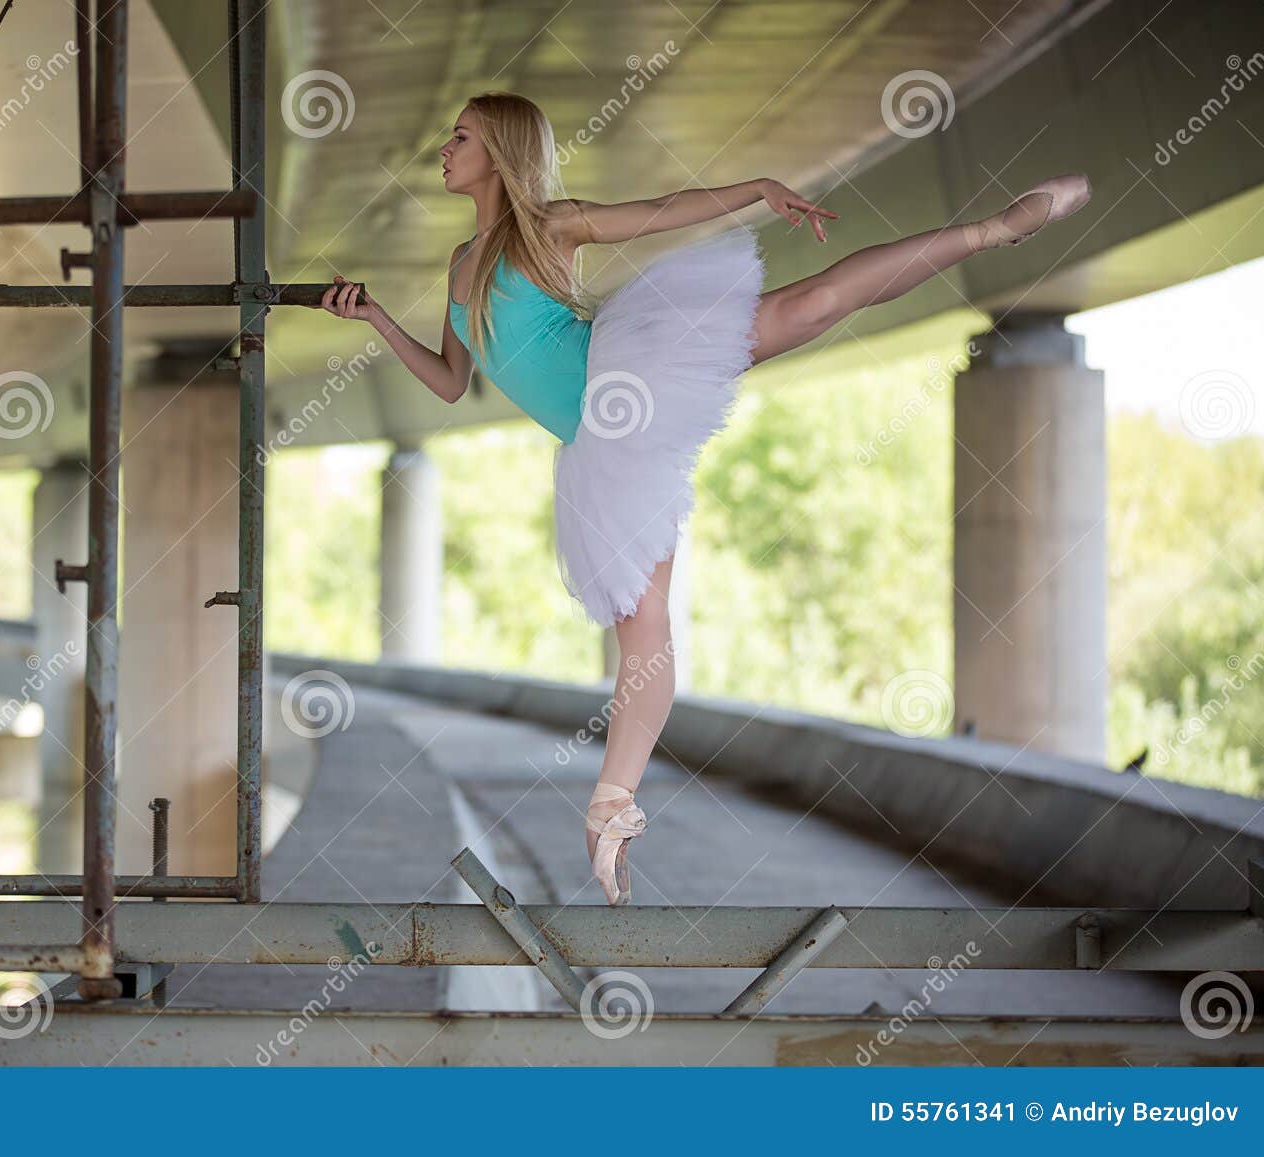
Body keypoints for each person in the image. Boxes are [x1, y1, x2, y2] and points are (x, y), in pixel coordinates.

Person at [320, 90, 1091, 905]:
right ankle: (611, 807)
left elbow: (657, 212)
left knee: (811, 303)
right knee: (643, 634)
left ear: (500, 150)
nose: (444, 148)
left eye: (461, 135)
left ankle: (996, 228)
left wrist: (755, 189)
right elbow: (448, 383)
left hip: (629, 378)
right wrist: (374, 317)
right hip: (597, 442)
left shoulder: (545, 228)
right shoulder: (458, 267)